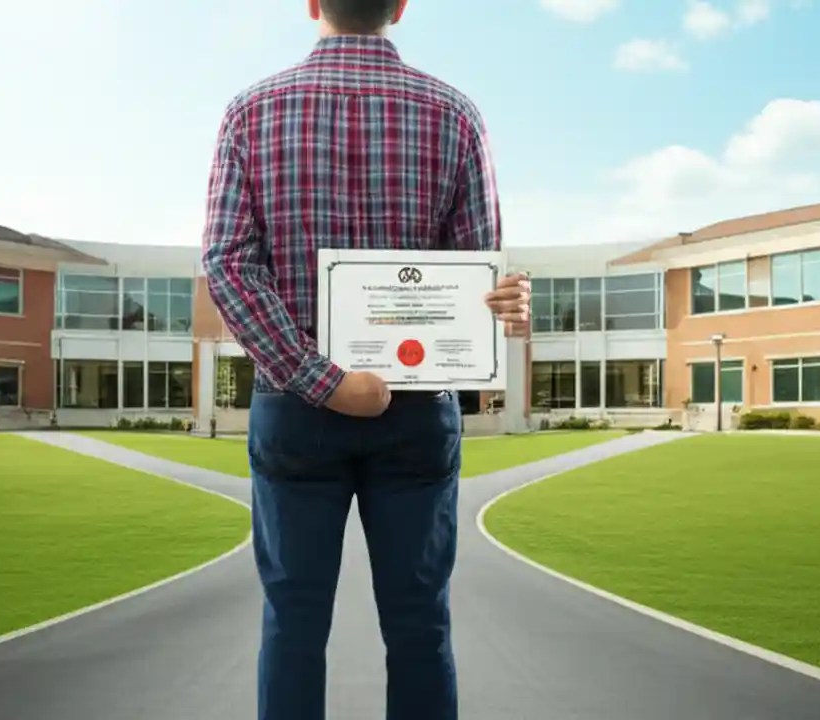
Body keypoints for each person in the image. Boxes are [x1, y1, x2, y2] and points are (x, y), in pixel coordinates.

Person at [201, 1, 529, 718]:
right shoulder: (456, 114)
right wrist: (503, 302)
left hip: (294, 412)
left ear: (312, 3)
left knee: (292, 626)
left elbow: (227, 265)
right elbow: (473, 267)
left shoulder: (250, 111)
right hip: (415, 415)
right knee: (420, 627)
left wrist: (320, 380)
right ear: (402, 6)